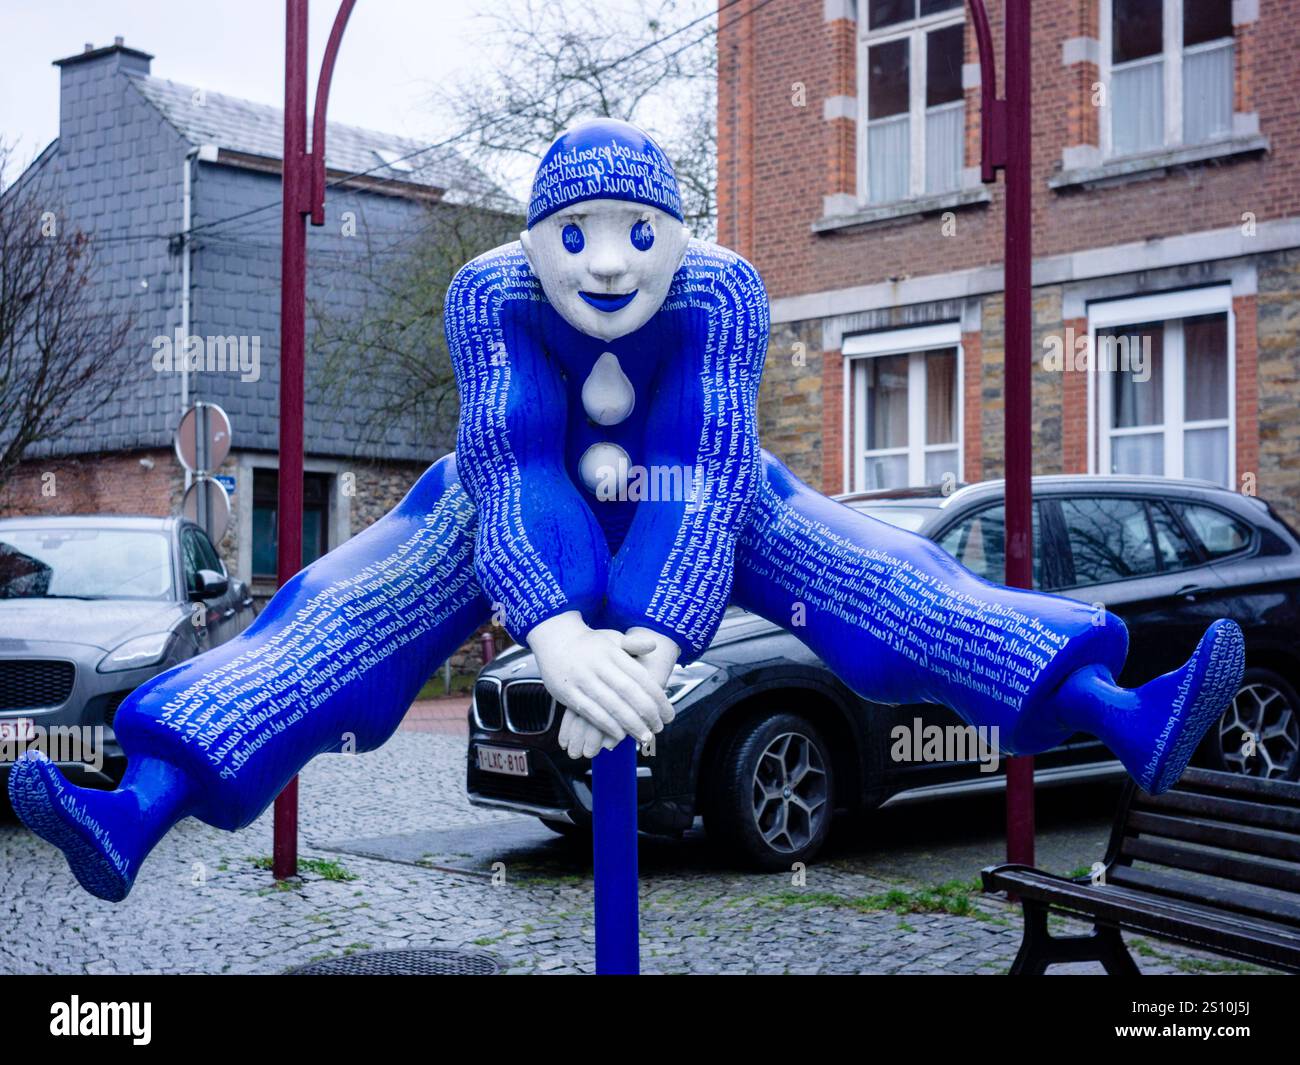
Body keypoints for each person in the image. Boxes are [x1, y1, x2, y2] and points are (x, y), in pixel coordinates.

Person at [10, 119, 1245, 903]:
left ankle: (1119, 715)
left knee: (890, 579)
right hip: (497, 505)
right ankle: (136, 811)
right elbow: (515, 450)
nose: (607, 263)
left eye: (637, 233)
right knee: (334, 615)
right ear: (537, 240)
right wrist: (550, 628)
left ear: (678, 237)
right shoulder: (488, 297)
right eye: (577, 234)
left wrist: (661, 628)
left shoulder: (724, 297)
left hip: (711, 499)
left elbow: (702, 458)